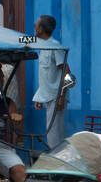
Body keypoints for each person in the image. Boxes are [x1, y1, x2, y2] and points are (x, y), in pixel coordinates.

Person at [31, 15, 72, 149]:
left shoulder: (55, 47)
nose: (34, 27)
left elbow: (66, 72)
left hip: (56, 97)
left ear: (40, 29)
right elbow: (47, 75)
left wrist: (61, 96)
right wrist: (40, 95)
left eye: (36, 25)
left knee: (54, 135)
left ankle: (57, 166)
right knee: (53, 133)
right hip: (49, 96)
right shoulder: (42, 46)